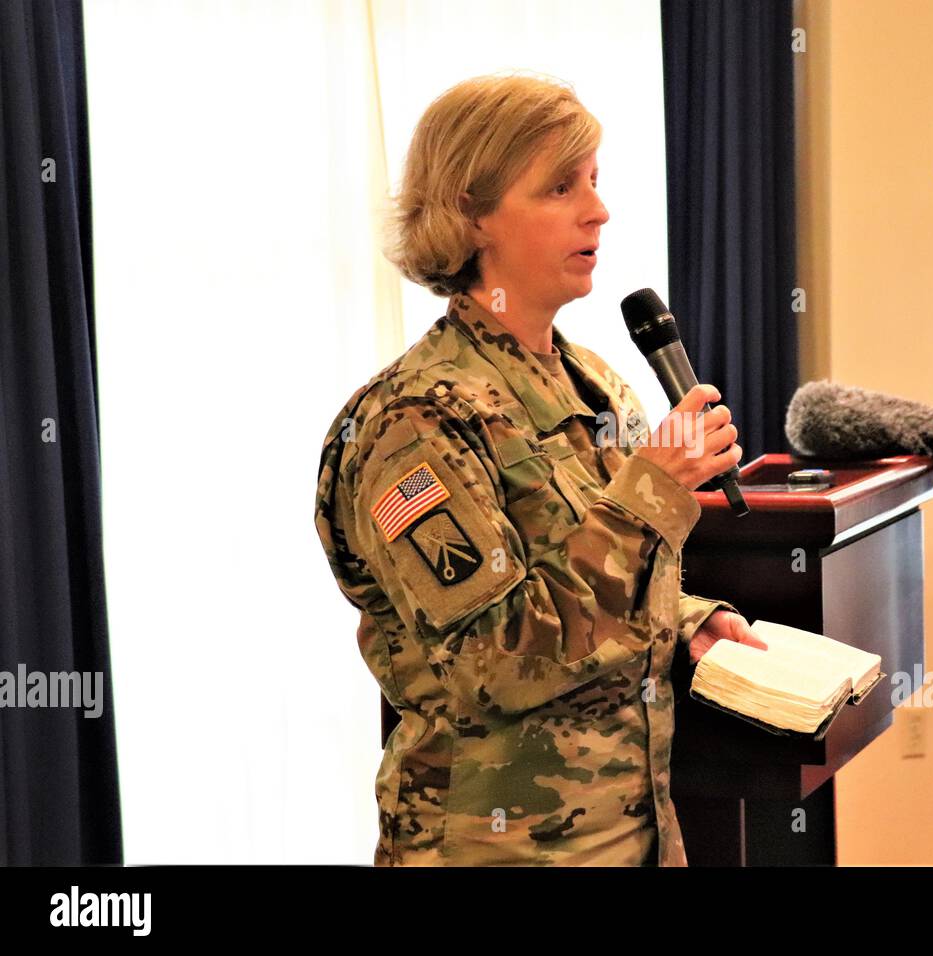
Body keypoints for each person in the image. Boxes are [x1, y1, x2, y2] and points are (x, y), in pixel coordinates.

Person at [314, 73, 766, 866]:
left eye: (594, 181)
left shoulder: (595, 383)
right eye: (560, 187)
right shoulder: (412, 422)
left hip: (634, 837)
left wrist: (692, 623)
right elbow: (496, 661)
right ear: (471, 213)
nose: (597, 210)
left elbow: (597, 589)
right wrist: (654, 490)